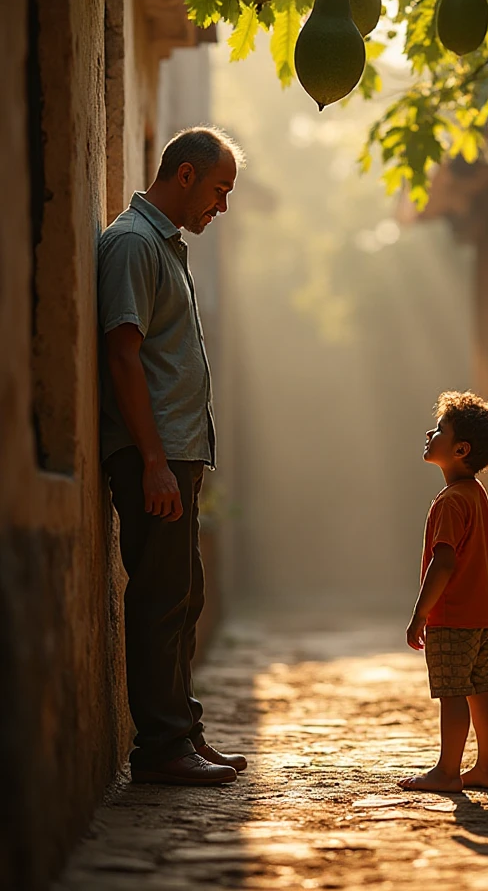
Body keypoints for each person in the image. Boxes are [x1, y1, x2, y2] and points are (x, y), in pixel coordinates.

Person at [99, 126, 247, 786]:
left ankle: (182, 731)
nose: (221, 207)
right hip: (151, 457)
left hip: (178, 456)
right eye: (219, 190)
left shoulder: (164, 248)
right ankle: (160, 748)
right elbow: (122, 355)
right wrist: (154, 460)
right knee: (161, 598)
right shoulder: (132, 244)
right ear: (184, 175)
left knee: (184, 597)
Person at [399, 391, 488, 793]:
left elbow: (444, 562)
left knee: (452, 694)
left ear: (460, 448)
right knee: (480, 688)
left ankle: (448, 770)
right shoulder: (476, 495)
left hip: (452, 616)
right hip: (482, 616)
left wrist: (420, 613)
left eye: (440, 430)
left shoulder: (450, 502)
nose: (430, 433)